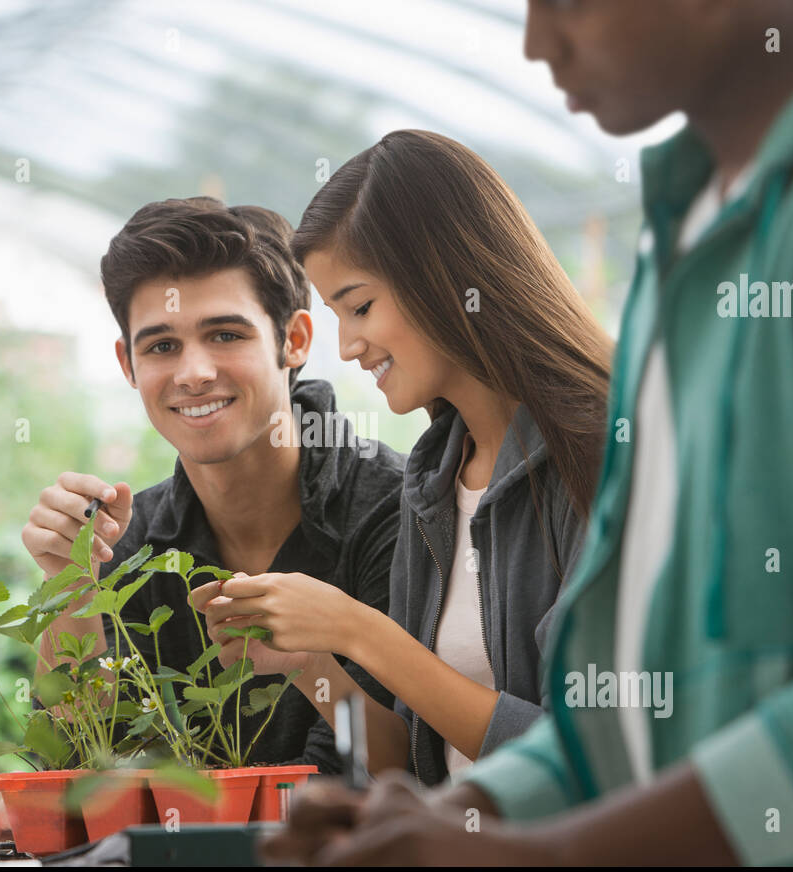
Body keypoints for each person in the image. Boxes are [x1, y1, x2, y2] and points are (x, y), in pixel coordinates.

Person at [262, 0, 793, 866]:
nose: (534, 43)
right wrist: (468, 813)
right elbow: (639, 706)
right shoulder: (695, 230)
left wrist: (551, 853)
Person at [193, 129, 612, 787]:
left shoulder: (602, 454)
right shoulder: (433, 484)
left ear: (445, 277)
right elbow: (405, 763)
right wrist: (315, 665)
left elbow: (593, 759)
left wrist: (363, 633)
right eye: (335, 313)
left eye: (359, 306)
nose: (349, 344)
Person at [0, 198, 406, 819]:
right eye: (161, 346)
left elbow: (394, 767)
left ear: (295, 339)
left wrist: (311, 666)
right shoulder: (127, 540)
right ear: (128, 364)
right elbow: (79, 764)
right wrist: (70, 587)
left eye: (225, 335)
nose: (194, 373)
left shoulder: (394, 511)